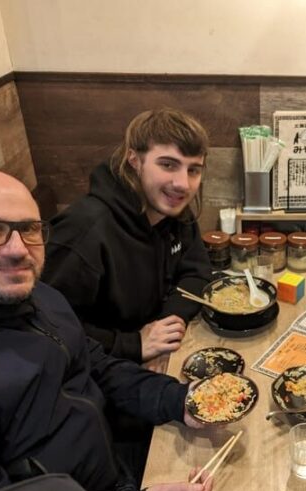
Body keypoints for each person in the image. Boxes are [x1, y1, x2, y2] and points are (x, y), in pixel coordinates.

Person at [0, 169, 213, 491]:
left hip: (112, 474)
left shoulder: (36, 295)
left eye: (29, 229)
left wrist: (176, 399)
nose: (18, 250)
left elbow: (95, 365)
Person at [42, 108, 213, 364]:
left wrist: (170, 322)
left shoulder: (175, 212)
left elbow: (196, 271)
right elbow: (47, 327)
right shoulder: (83, 231)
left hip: (152, 347)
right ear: (134, 160)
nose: (183, 184)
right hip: (100, 368)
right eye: (168, 165)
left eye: (193, 170)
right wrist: (131, 344)